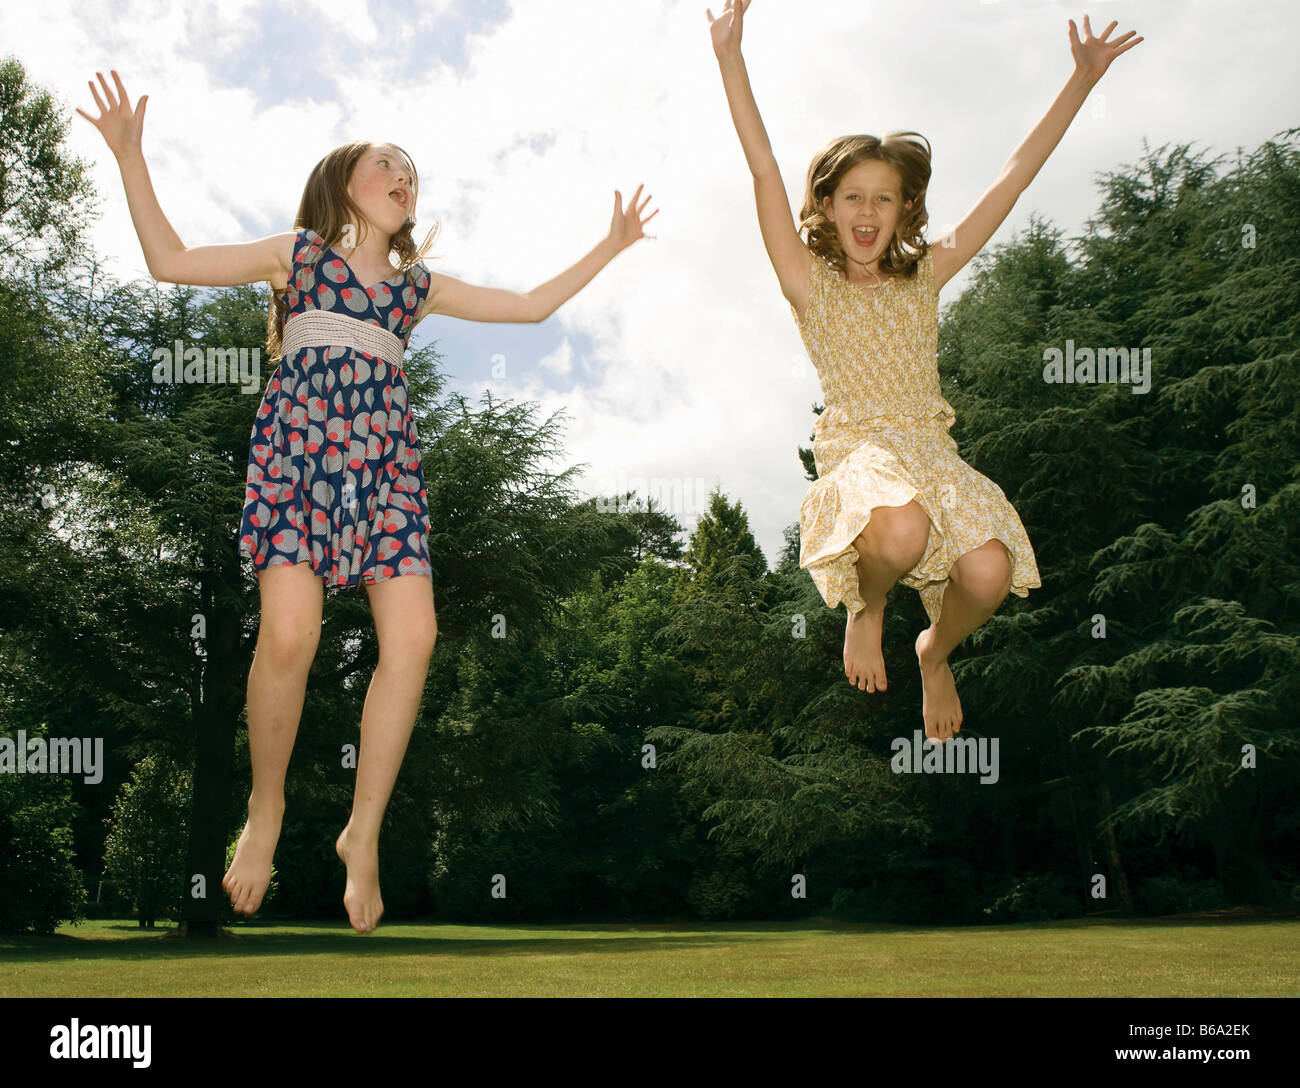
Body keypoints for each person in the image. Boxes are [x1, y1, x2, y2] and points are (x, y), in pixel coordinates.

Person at [77, 71, 657, 932]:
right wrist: (130, 156)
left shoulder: (417, 285)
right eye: (388, 164)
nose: (404, 178)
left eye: (411, 173)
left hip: (385, 466)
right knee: (288, 634)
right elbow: (170, 261)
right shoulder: (299, 256)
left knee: (415, 637)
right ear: (344, 182)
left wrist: (609, 246)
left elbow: (532, 308)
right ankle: (265, 810)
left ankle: (363, 832)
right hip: (300, 453)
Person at [707, 3, 1141, 740]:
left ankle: (934, 650)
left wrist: (1081, 80)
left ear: (905, 207)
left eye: (884, 197)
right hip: (861, 448)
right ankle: (867, 608)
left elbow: (1010, 182)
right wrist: (729, 57)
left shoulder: (924, 277)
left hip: (931, 450)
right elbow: (761, 167)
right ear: (827, 206)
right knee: (901, 533)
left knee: (987, 574)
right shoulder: (809, 283)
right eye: (853, 197)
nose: (868, 210)